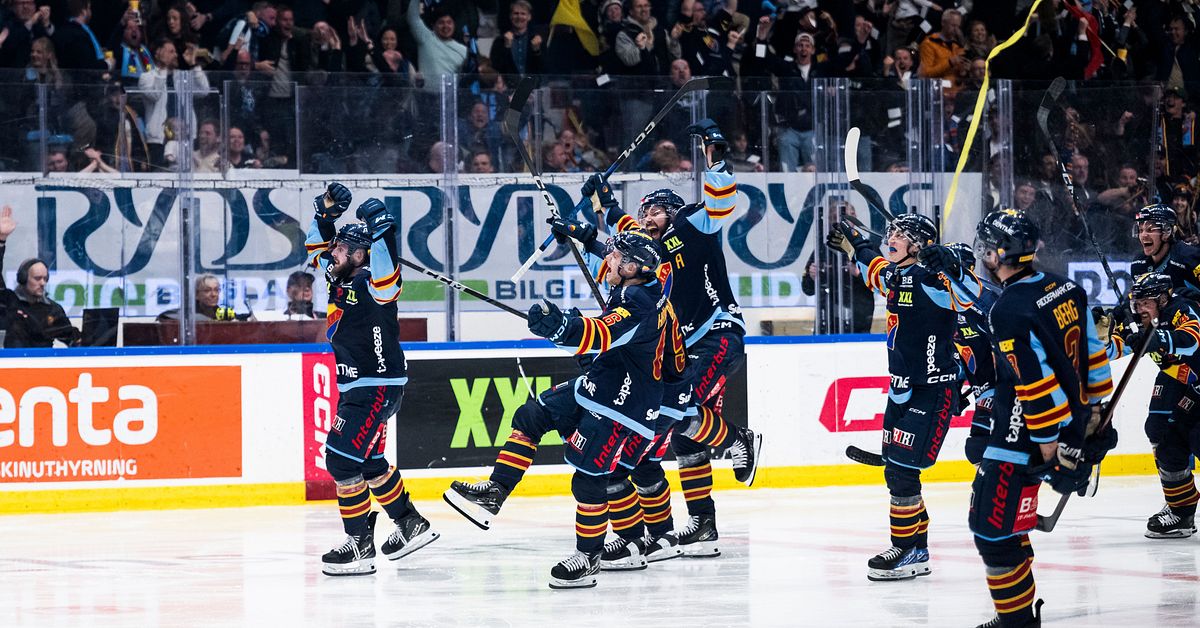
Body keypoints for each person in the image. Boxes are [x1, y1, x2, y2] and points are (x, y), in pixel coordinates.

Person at [558, 119, 760, 558]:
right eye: (644, 211)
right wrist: (599, 204)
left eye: (656, 210)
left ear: (674, 212)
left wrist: (716, 154)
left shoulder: (693, 226)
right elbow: (616, 240)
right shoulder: (646, 253)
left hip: (717, 333)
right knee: (685, 436)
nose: (648, 217)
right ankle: (703, 526)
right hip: (685, 347)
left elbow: (721, 202)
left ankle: (737, 439)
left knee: (680, 409)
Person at [444, 229, 667, 589]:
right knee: (532, 415)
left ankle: (588, 557)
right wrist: (582, 238)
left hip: (624, 405)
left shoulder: (638, 300)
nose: (608, 259)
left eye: (615, 256)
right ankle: (496, 491)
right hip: (602, 385)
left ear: (631, 267)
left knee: (590, 478)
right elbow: (602, 326)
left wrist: (565, 327)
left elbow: (603, 333)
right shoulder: (633, 285)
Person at [961, 208, 1114, 627]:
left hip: (1024, 435)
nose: (982, 255)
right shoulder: (1064, 288)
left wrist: (1053, 455)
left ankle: (1016, 622)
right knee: (1012, 523)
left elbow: (1037, 385)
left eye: (986, 248)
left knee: (992, 529)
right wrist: (1096, 417)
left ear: (999, 253)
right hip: (1064, 426)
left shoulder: (1009, 310)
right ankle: (1019, 615)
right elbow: (1093, 355)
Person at [825, 211, 979, 581]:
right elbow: (873, 266)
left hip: (932, 390)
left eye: (900, 233)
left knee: (903, 470)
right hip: (900, 390)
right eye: (891, 230)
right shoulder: (897, 277)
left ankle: (907, 548)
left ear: (920, 243)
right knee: (898, 473)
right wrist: (856, 245)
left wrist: (952, 266)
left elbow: (969, 297)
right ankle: (917, 548)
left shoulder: (932, 278)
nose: (890, 236)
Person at [305, 183, 438, 577]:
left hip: (373, 386)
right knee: (369, 462)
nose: (334, 253)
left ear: (360, 255)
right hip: (365, 386)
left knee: (341, 459)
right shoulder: (340, 277)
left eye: (342, 249)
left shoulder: (371, 283)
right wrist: (325, 214)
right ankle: (410, 522)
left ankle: (360, 544)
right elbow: (317, 250)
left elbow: (390, 279)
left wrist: (384, 231)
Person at [1104, 273, 1200, 539]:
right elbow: (1116, 348)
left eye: (1146, 303)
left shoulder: (1181, 309)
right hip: (1187, 383)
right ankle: (1181, 513)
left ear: (1163, 298)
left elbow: (1192, 339)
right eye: (1137, 303)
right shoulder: (1140, 321)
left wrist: (1159, 339)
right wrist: (1096, 338)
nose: (1139, 309)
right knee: (1167, 441)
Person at [0, 205, 81, 348]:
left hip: (43, 368)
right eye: (37, 278)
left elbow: (73, 339)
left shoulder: (52, 309)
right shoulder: (9, 302)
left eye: (45, 278)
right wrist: (1, 240)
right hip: (12, 366)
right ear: (24, 279)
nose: (42, 283)